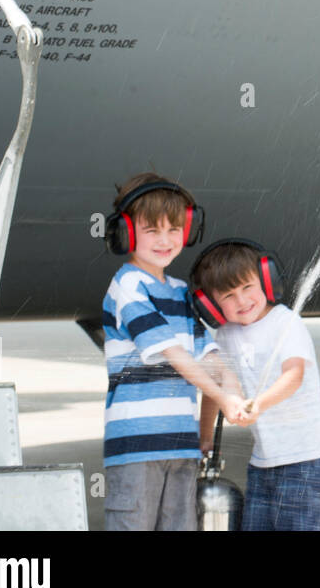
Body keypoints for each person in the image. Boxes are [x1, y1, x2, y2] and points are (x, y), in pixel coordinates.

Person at [102, 172, 246, 531]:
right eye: (152, 231)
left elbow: (208, 358)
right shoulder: (128, 286)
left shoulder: (181, 292)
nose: (165, 241)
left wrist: (231, 389)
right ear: (127, 234)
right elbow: (176, 356)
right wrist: (222, 396)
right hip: (138, 448)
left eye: (174, 229)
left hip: (182, 447)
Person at [189, 238, 320, 531]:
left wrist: (259, 404)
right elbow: (213, 389)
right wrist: (204, 440)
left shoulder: (286, 323)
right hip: (263, 461)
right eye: (228, 296)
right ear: (210, 306)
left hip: (305, 459)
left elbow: (294, 376)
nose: (242, 301)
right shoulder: (227, 334)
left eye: (247, 288)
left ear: (266, 282)